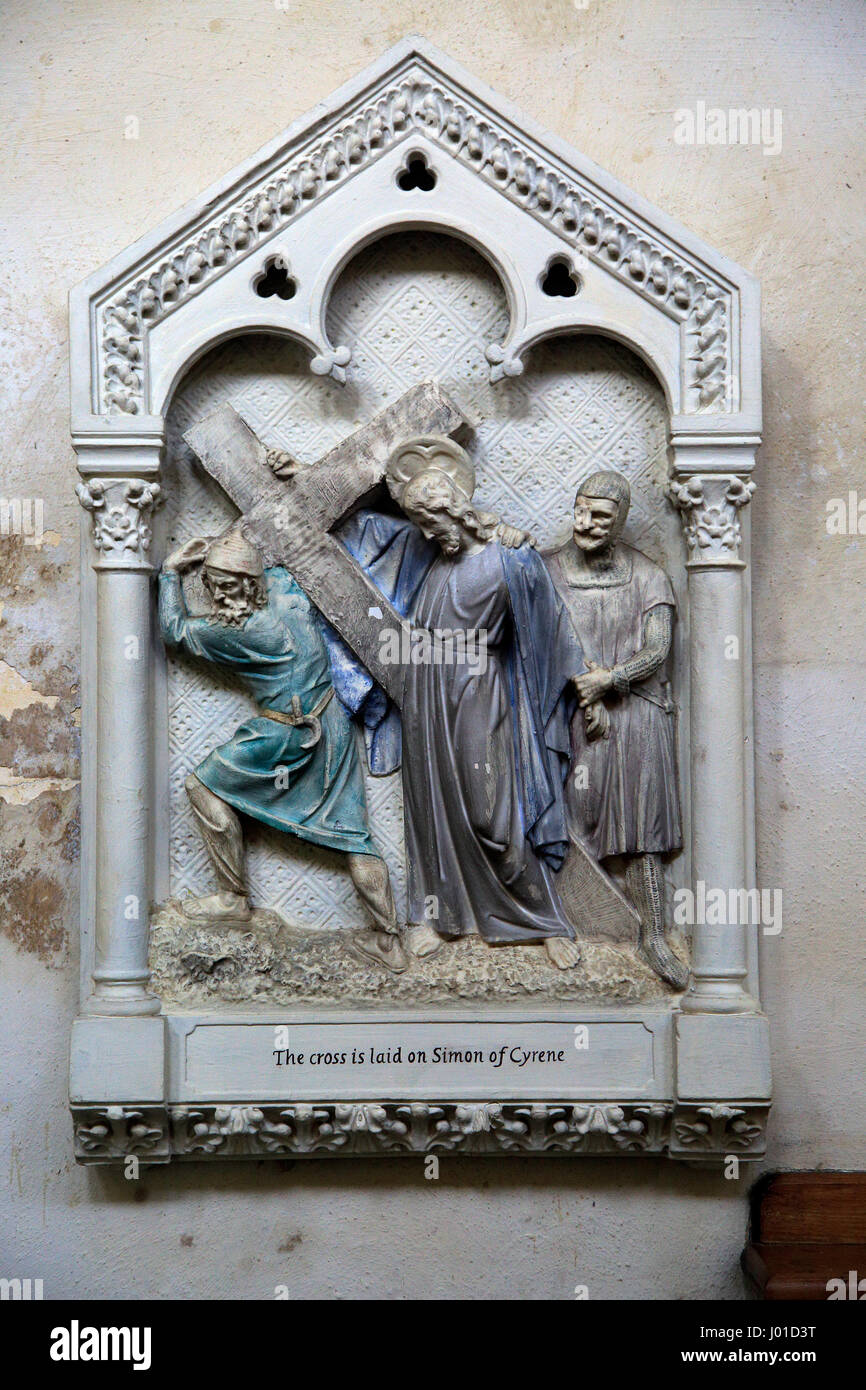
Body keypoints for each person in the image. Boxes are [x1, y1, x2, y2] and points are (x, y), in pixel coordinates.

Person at [327, 437, 587, 970]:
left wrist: (577, 684)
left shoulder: (512, 557)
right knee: (431, 809)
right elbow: (359, 533)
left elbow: (548, 630)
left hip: (479, 691)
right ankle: (437, 916)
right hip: (428, 696)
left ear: (454, 509)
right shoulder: (437, 565)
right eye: (419, 522)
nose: (425, 533)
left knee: (494, 811)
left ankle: (542, 921)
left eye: (429, 519)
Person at [158, 528, 406, 972]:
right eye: (213, 585)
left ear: (248, 586)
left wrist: (171, 573)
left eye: (223, 585)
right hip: (331, 723)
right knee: (353, 834)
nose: (218, 594)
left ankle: (233, 899)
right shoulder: (293, 594)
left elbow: (174, 630)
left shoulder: (236, 632)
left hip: (282, 734)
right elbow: (295, 553)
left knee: (201, 786)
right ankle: (390, 938)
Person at [546, 470, 688, 988]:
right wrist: (582, 684)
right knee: (572, 815)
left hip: (638, 711)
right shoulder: (547, 570)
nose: (587, 523)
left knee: (642, 826)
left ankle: (652, 933)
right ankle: (571, 926)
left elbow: (657, 648)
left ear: (620, 520)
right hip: (572, 710)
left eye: (601, 516)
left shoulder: (648, 576)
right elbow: (534, 633)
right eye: (581, 510)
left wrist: (612, 679)